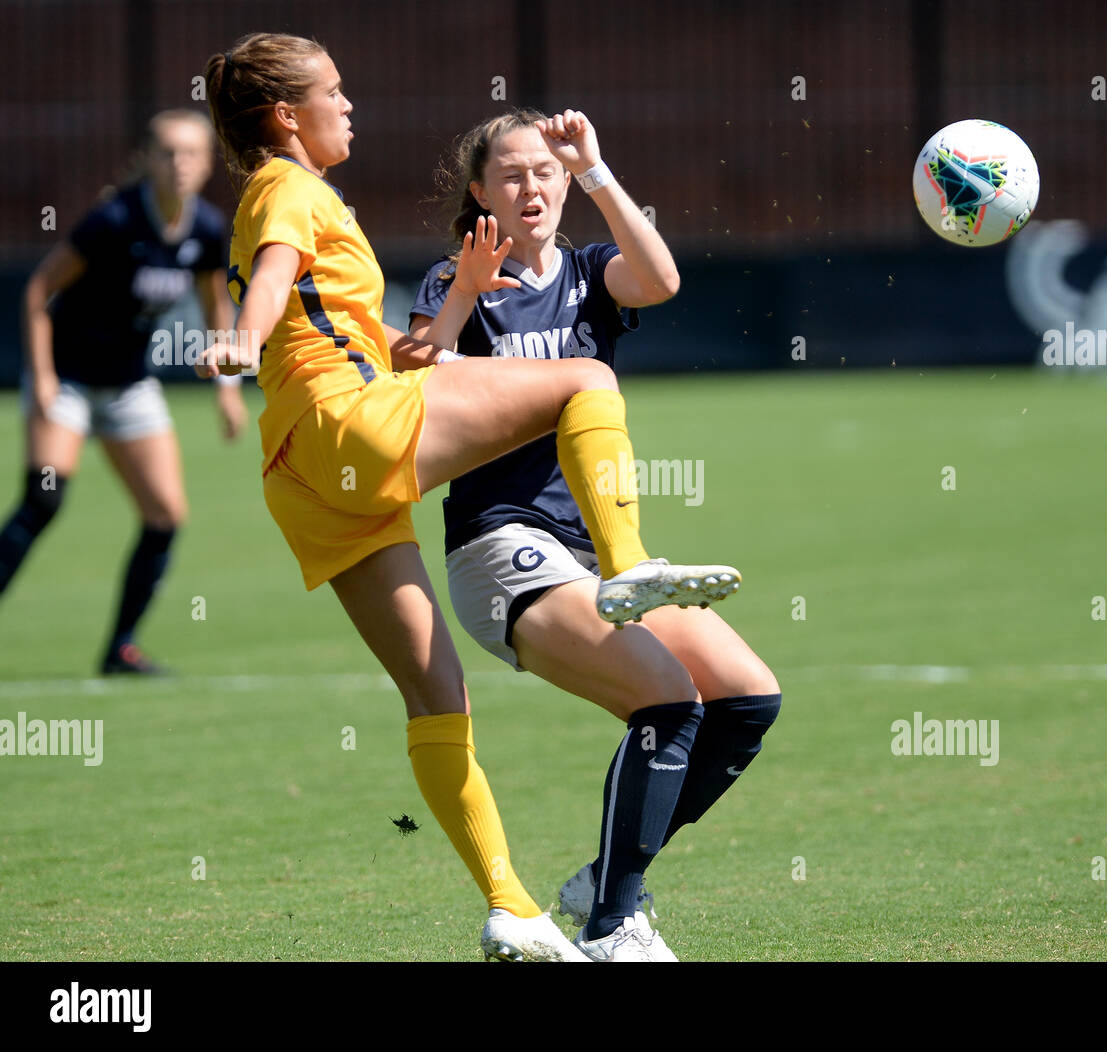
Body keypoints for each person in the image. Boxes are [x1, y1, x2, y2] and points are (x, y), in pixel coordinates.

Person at [199, 32, 740, 962]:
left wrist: (272, 339)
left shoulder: (270, 192)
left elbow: (326, 305)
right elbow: (279, 273)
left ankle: (512, 906)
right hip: (348, 424)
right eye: (334, 91)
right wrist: (244, 336)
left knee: (434, 694)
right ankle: (626, 566)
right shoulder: (292, 187)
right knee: (584, 383)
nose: (349, 105)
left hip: (302, 473)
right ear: (287, 117)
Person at [410, 109, 781, 961]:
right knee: (667, 697)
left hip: (595, 552)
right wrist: (466, 289)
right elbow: (414, 373)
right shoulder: (455, 281)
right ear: (480, 193)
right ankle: (616, 923)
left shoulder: (586, 273)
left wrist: (598, 172)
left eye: (545, 171)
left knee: (746, 699)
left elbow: (660, 281)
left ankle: (606, 880)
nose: (531, 187)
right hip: (501, 545)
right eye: (510, 174)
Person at [0, 109, 247, 674]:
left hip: (129, 385)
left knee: (165, 515)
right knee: (44, 500)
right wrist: (40, 378)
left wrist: (229, 390)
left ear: (208, 164)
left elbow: (216, 306)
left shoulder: (207, 229)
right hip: (66, 378)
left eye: (191, 154)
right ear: (149, 160)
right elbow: (38, 291)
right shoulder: (112, 220)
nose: (180, 164)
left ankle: (120, 649)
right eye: (168, 153)